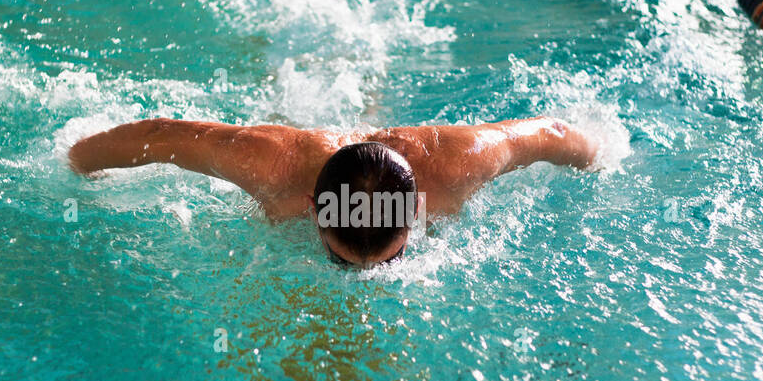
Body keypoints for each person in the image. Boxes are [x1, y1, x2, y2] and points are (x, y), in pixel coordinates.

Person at [68, 116, 602, 268]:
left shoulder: (457, 164)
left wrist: (600, 161)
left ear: (417, 209)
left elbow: (553, 135)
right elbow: (161, 137)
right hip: (308, 144)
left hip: (408, 149)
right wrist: (70, 164)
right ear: (310, 209)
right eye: (340, 261)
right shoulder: (271, 166)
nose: (367, 273)